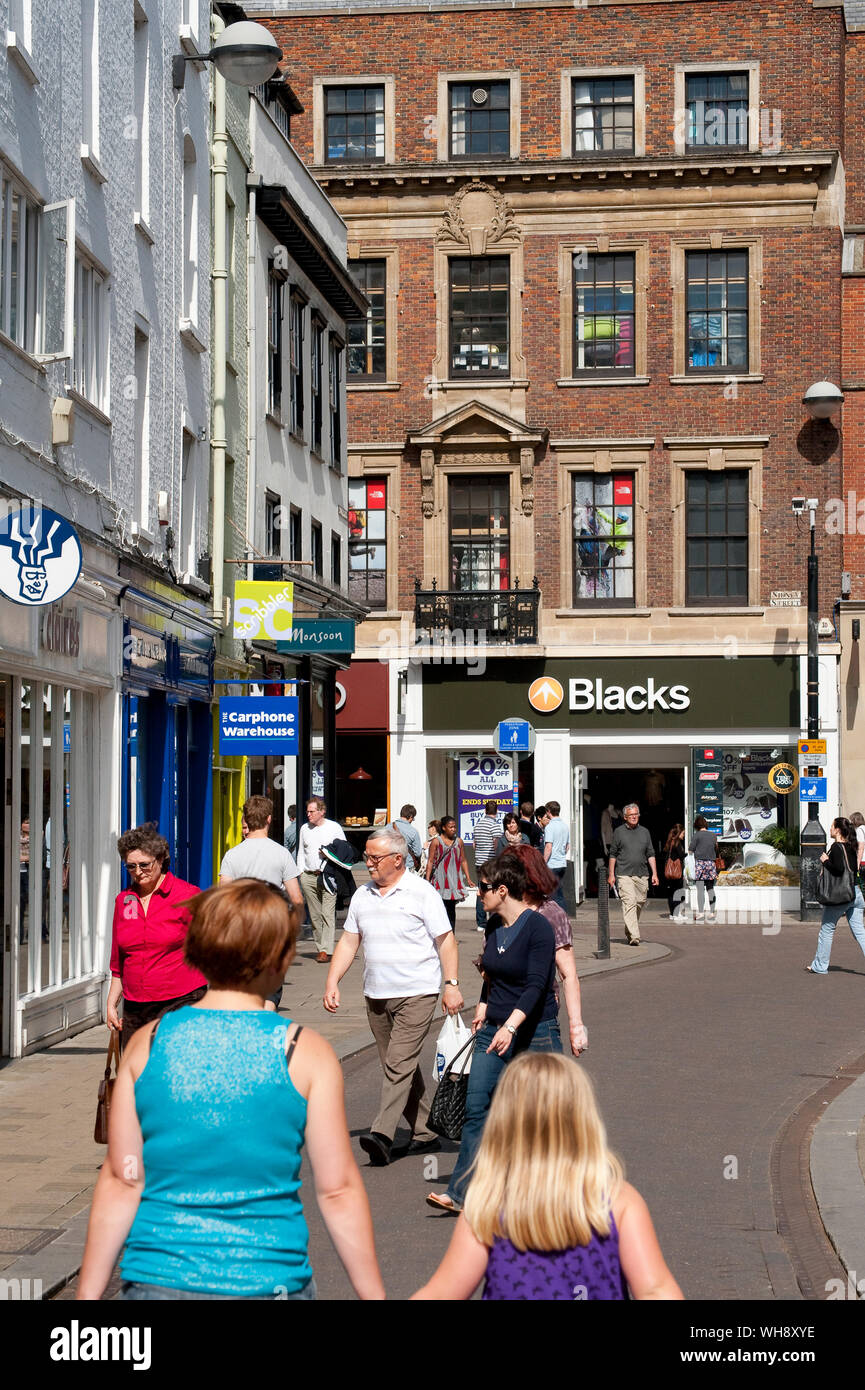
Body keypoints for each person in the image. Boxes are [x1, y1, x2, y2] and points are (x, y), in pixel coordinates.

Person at [78, 879, 385, 1301]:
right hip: (267, 1277)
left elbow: (121, 1179)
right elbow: (336, 1189)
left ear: (197, 952)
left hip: (160, 1278)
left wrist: (87, 1298)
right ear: (281, 959)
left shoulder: (146, 1045)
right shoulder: (305, 1053)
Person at [412, 1053, 683, 1301]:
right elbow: (655, 1289)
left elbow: (442, 1292)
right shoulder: (617, 1201)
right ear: (583, 1121)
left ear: (503, 1125)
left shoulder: (488, 1205)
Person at [426, 853, 560, 1214]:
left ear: (503, 890)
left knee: (540, 1117)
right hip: (493, 1031)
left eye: (483, 888)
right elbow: (494, 976)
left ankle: (550, 1194)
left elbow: (536, 985)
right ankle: (460, 1193)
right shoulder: (492, 928)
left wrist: (512, 1025)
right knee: (477, 1109)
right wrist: (484, 1005)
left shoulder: (538, 928)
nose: (478, 894)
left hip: (536, 1032)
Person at [324, 828, 464, 1167]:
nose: (368, 863)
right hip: (376, 995)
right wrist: (333, 979)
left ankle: (382, 1134)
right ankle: (425, 1131)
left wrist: (451, 984)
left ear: (397, 860)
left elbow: (446, 941)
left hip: (416, 992)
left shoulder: (421, 892)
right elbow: (348, 942)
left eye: (374, 858)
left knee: (398, 1065)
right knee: (399, 1066)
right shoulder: (362, 896)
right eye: (367, 857)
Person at [106, 824, 206, 1050]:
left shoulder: (188, 896)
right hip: (135, 1008)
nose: (138, 872)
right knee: (137, 1076)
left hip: (180, 1000)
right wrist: (112, 1003)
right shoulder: (124, 901)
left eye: (144, 865)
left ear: (161, 860)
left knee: (172, 1072)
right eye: (131, 866)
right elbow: (118, 962)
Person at [499, 844, 587, 1058]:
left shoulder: (550, 914)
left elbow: (568, 974)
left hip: (538, 1019)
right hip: (500, 1016)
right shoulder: (500, 911)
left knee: (544, 1089)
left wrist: (576, 1027)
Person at [219, 795, 304, 1006]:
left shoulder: (232, 855)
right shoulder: (282, 854)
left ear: (247, 820)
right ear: (268, 819)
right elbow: (296, 898)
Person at [805, 816, 865, 975]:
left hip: (842, 896)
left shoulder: (837, 847)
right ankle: (819, 964)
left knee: (827, 929)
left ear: (838, 830)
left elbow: (838, 870)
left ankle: (820, 966)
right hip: (856, 893)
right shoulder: (852, 846)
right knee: (860, 933)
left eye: (832, 826)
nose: (830, 828)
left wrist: (825, 861)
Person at [297, 796, 347, 964]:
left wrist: (328, 854)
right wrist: (301, 873)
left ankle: (326, 950)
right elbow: (301, 852)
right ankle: (321, 946)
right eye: (307, 811)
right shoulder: (304, 828)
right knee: (315, 915)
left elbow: (344, 849)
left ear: (321, 812)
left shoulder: (334, 828)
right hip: (308, 876)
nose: (308, 814)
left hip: (328, 875)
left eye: (312, 811)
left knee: (327, 914)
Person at [607, 803, 659, 947]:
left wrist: (655, 873)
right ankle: (635, 936)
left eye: (636, 814)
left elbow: (651, 854)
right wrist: (611, 874)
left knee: (639, 902)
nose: (634, 817)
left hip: (642, 874)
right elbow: (613, 854)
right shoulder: (618, 832)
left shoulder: (645, 832)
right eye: (631, 815)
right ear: (625, 817)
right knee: (629, 902)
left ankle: (629, 929)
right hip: (624, 874)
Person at [426, 814, 474, 929]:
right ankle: (440, 934)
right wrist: (427, 880)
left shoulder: (459, 842)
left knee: (451, 910)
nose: (453, 829)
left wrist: (468, 878)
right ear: (443, 828)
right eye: (450, 827)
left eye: (454, 827)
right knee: (440, 909)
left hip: (453, 881)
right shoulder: (436, 842)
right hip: (440, 881)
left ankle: (451, 935)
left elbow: (463, 860)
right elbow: (430, 861)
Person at [472, 800, 502, 930]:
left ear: (485, 810)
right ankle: (492, 919)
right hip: (490, 863)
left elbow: (474, 845)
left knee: (481, 891)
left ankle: (480, 922)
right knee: (492, 890)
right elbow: (496, 844)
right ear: (497, 811)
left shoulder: (478, 825)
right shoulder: (495, 826)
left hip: (479, 862)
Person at [688, 816, 720, 922]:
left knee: (700, 890)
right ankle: (712, 912)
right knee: (710, 888)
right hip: (711, 864)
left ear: (696, 825)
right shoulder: (713, 835)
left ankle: (701, 913)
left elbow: (691, 850)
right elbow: (716, 848)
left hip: (700, 864)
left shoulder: (696, 835)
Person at [542, 799, 570, 909]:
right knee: (558, 891)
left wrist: (543, 862)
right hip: (562, 863)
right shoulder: (565, 826)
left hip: (552, 864)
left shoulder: (549, 827)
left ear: (548, 812)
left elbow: (548, 847)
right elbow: (567, 846)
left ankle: (560, 917)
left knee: (554, 895)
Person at [663, 824, 687, 921]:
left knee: (671, 893)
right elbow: (681, 855)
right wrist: (687, 853)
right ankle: (677, 914)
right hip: (676, 872)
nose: (684, 835)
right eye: (683, 833)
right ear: (679, 833)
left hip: (669, 873)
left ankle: (672, 913)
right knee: (677, 892)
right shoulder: (677, 843)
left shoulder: (670, 842)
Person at [393, 804, 423, 872]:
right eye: (413, 818)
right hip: (406, 866)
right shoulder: (413, 831)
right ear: (411, 817)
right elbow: (418, 853)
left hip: (390, 865)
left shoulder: (387, 827)